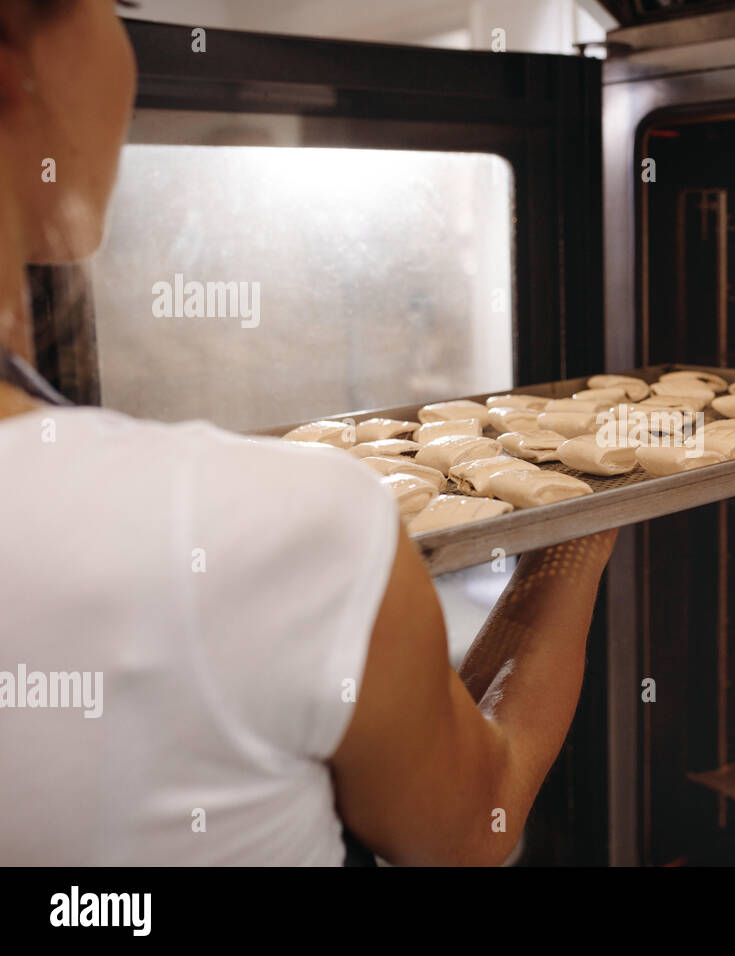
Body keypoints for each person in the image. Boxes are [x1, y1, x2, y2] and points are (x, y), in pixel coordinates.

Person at [0, 0, 616, 865]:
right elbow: (475, 826)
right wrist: (581, 523)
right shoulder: (279, 523)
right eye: (113, 11)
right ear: (13, 66)